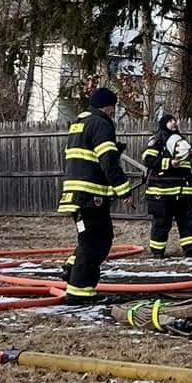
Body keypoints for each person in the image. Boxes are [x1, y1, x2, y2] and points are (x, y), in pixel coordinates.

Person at [56, 87, 132, 305]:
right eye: (113, 107)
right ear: (108, 106)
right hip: (91, 196)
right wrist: (124, 190)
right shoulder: (101, 124)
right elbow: (108, 161)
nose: (114, 112)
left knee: (96, 238)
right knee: (95, 242)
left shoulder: (80, 123)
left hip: (77, 195)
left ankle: (73, 268)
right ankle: (80, 292)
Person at [142, 111, 192, 259]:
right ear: (163, 124)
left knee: (189, 222)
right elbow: (148, 159)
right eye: (170, 121)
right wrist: (169, 163)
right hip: (162, 193)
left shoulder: (182, 140)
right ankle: (157, 251)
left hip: (184, 193)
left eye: (174, 120)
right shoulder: (157, 141)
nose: (174, 123)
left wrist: (190, 155)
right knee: (161, 223)